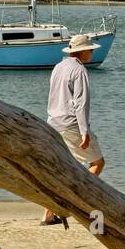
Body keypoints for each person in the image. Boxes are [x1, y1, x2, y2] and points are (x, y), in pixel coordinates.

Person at [40, 33, 105, 226]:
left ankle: (47, 214)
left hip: (53, 123)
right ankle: (73, 202)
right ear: (82, 52)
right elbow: (81, 104)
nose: (92, 52)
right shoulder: (79, 71)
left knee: (61, 170)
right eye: (90, 49)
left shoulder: (58, 67)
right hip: (71, 124)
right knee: (97, 163)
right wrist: (84, 131)